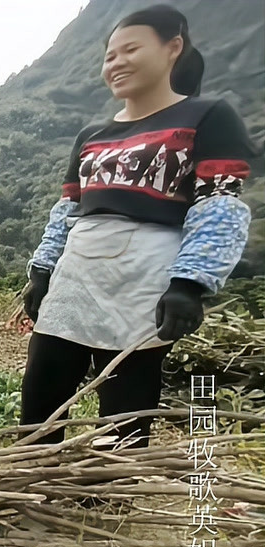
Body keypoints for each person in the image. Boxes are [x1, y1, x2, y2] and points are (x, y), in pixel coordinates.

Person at [18, 5, 257, 448]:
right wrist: (41, 271)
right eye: (110, 55)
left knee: (124, 399)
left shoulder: (206, 116)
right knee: (42, 390)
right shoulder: (93, 134)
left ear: (173, 48)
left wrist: (189, 283)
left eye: (131, 49)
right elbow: (68, 209)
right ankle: (28, 486)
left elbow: (219, 205)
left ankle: (106, 501)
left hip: (145, 272)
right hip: (78, 271)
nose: (117, 63)